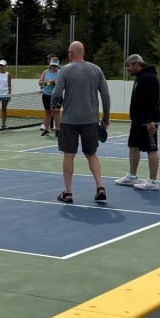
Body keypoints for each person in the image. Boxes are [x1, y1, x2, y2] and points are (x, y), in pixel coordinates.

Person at [50, 41, 110, 204]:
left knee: (69, 154)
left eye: (69, 52)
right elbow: (105, 95)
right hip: (90, 119)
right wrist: (105, 118)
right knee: (91, 154)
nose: (68, 54)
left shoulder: (65, 70)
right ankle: (100, 186)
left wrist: (54, 106)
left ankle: (68, 192)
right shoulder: (96, 69)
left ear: (72, 53)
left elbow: (56, 93)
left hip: (70, 120)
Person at [116, 54, 160, 191]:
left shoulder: (148, 78)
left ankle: (153, 181)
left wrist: (150, 121)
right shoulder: (141, 77)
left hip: (147, 122)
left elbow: (151, 101)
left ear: (137, 64)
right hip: (138, 120)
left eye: (129, 65)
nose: (127, 69)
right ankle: (132, 176)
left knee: (151, 149)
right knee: (133, 145)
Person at [38, 55, 61, 136]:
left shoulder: (60, 73)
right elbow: (40, 82)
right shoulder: (45, 72)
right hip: (46, 95)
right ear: (50, 65)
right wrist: (47, 82)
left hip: (56, 96)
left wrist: (56, 82)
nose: (54, 67)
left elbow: (63, 83)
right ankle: (46, 129)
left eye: (55, 65)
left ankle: (58, 130)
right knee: (48, 112)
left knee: (56, 112)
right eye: (52, 65)